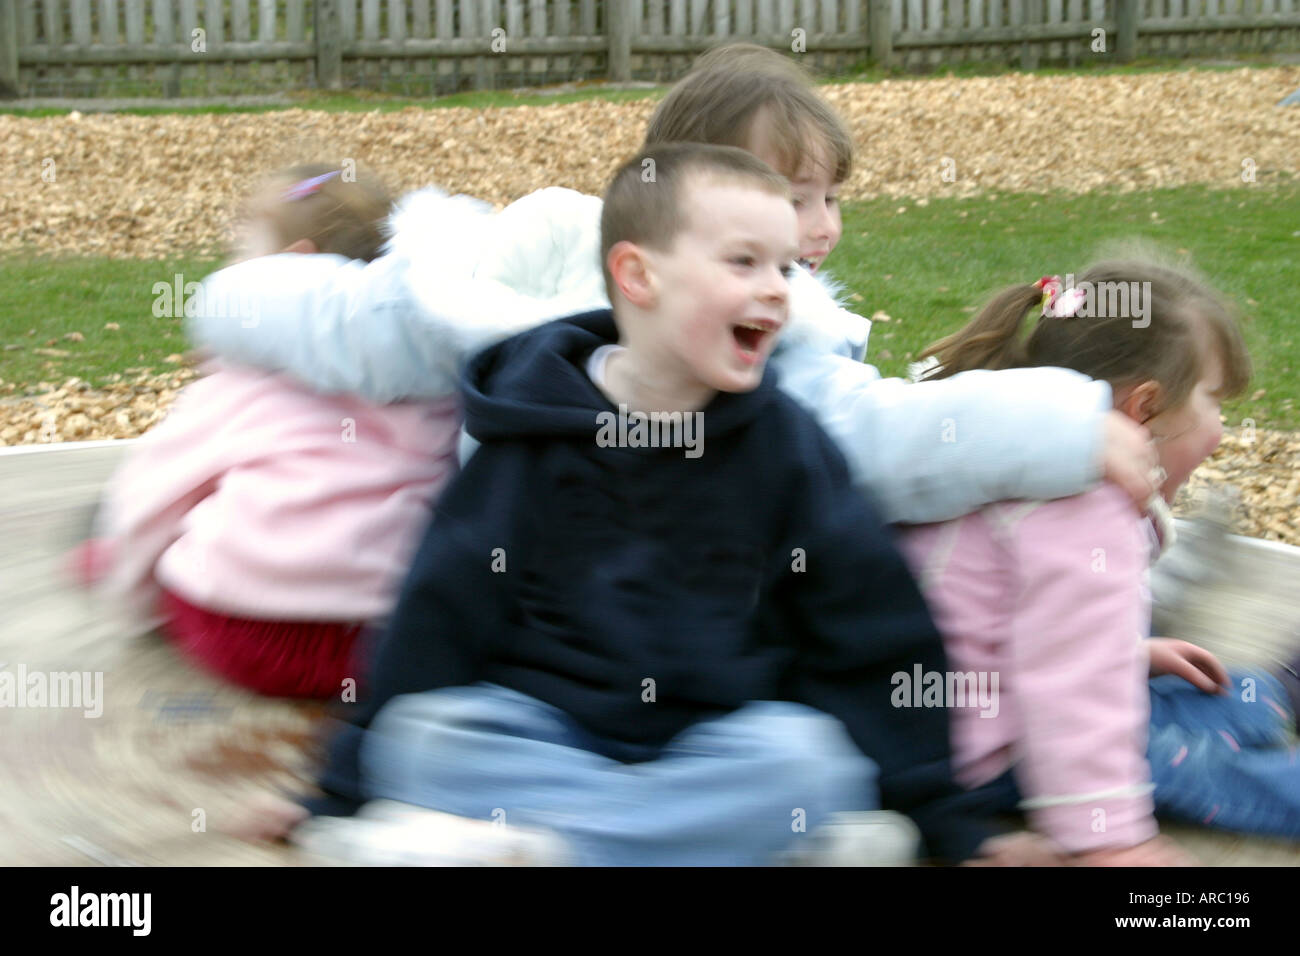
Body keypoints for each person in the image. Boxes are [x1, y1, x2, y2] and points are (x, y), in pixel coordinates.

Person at [280, 143, 1013, 866]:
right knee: (426, 738)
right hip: (540, 732)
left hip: (715, 741)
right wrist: (337, 794)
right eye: (743, 262)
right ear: (637, 275)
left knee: (811, 761)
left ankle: (549, 851)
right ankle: (670, 846)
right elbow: (436, 614)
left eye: (785, 267)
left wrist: (939, 816)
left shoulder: (786, 447)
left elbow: (873, 629)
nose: (778, 289)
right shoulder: (530, 435)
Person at [187, 44, 1161, 526]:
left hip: (516, 590)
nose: (813, 228)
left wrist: (229, 298)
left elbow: (354, 317)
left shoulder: (529, 261)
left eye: (827, 199)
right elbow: (871, 436)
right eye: (784, 199)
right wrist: (1063, 426)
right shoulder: (763, 342)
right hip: (660, 600)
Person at [898, 255, 1300, 861]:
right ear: (1145, 406)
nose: (1220, 427)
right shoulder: (1084, 505)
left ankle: (1269, 697)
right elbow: (1071, 692)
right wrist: (1110, 839)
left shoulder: (1017, 451)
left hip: (985, 701)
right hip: (987, 746)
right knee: (1176, 760)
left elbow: (1027, 632)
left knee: (1222, 690)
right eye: (1214, 402)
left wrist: (1128, 653)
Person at [74, 164, 464, 698]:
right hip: (389, 639)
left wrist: (134, 595)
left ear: (291, 266)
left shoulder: (244, 376)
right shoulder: (435, 376)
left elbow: (151, 496)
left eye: (240, 256)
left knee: (178, 531)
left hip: (247, 634)